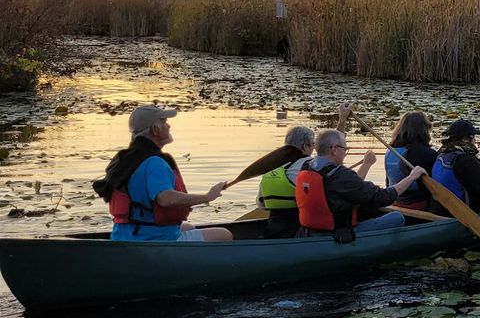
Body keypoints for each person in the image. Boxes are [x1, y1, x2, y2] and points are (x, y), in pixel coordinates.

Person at [94, 104, 232, 242]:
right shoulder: (155, 163)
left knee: (188, 226)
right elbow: (165, 198)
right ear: (155, 130)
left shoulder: (124, 158)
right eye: (164, 122)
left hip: (123, 235)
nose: (169, 126)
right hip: (154, 239)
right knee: (224, 234)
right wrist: (207, 196)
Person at [295, 128, 426, 242]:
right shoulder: (340, 175)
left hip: (309, 232)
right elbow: (383, 197)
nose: (345, 153)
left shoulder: (307, 167)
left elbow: (350, 186)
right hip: (339, 234)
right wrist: (411, 177)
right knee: (397, 217)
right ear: (334, 149)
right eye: (344, 149)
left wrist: (366, 164)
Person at [256, 103, 353, 238]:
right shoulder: (310, 166)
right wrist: (342, 119)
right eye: (313, 144)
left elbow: (261, 205)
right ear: (305, 146)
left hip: (272, 232)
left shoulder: (271, 169)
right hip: (300, 233)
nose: (314, 148)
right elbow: (333, 150)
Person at [385, 111, 438, 210]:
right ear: (424, 130)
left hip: (395, 200)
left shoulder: (390, 151)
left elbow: (388, 182)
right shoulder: (426, 153)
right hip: (417, 203)